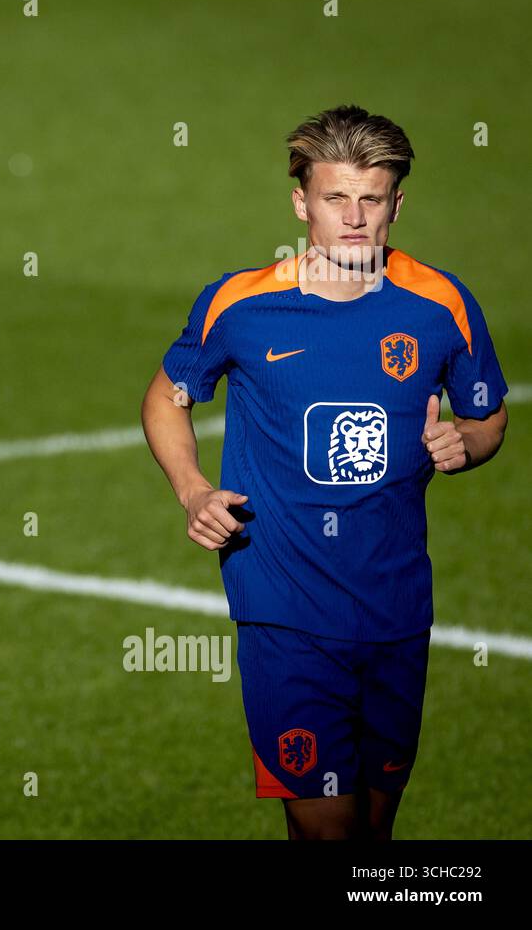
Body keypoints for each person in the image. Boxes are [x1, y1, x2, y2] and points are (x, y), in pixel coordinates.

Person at [141, 104, 508, 839]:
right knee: (325, 832)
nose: (354, 217)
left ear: (396, 204)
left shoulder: (442, 305)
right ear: (301, 201)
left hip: (396, 605)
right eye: (335, 197)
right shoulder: (242, 304)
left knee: (375, 831)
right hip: (284, 608)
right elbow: (165, 396)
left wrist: (466, 445)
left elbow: (487, 414)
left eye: (371, 199)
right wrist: (193, 491)